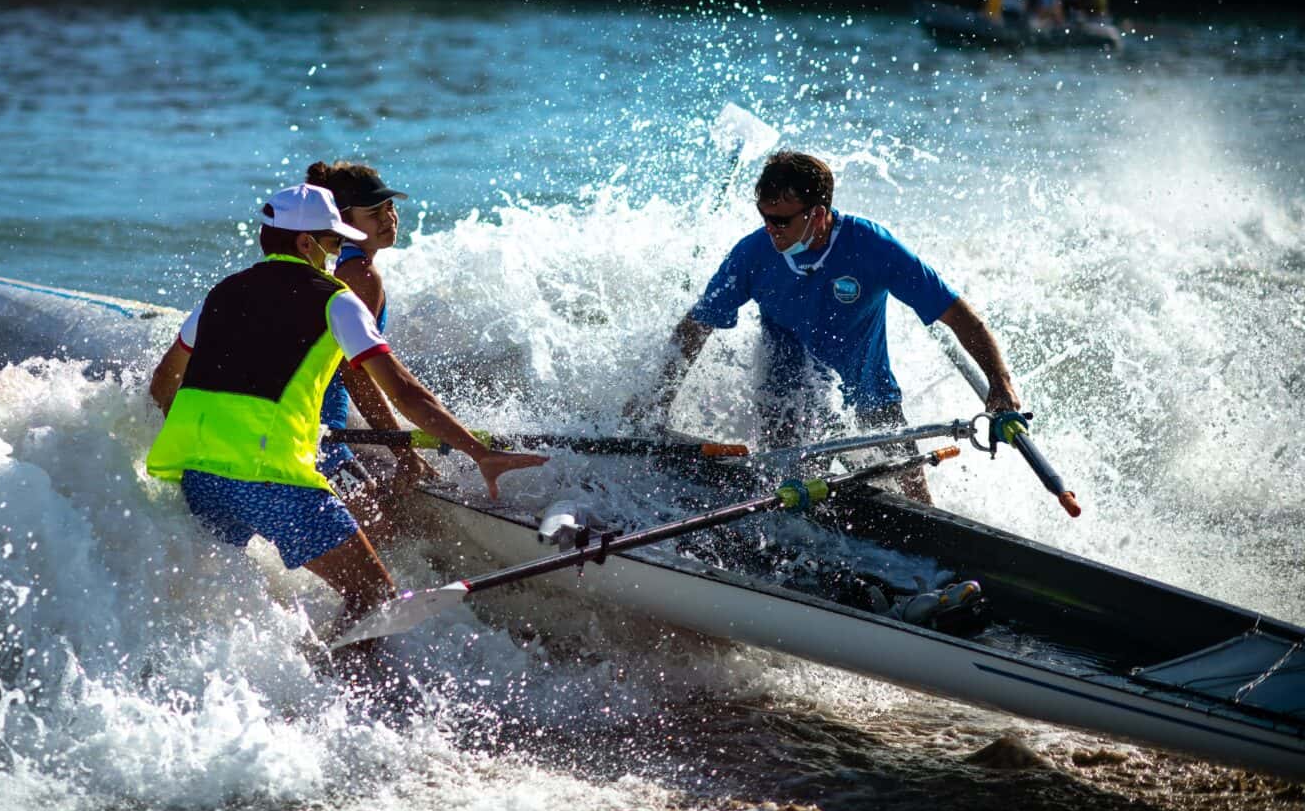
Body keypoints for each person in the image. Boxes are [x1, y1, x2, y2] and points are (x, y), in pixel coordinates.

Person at [146, 183, 546, 627]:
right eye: (334, 242)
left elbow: (164, 382)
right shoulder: (335, 301)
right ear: (306, 243)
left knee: (220, 607)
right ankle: (336, 672)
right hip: (272, 482)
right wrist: (478, 451)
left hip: (200, 478)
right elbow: (405, 392)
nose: (336, 254)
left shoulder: (220, 294)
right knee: (377, 600)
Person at [626, 151, 1021, 505]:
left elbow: (960, 316)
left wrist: (999, 383)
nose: (770, 229)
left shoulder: (874, 247)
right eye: (765, 217)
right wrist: (657, 400)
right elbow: (695, 328)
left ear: (816, 214)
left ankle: (926, 525)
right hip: (788, 386)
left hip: (867, 388)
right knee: (784, 466)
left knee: (910, 483)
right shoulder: (751, 254)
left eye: (781, 220)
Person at [303, 160, 436, 526]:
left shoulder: (343, 268)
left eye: (389, 207)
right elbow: (355, 376)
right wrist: (402, 451)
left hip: (325, 427)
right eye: (374, 213)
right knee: (379, 527)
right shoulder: (361, 275)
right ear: (344, 222)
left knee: (387, 519)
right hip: (321, 437)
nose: (388, 218)